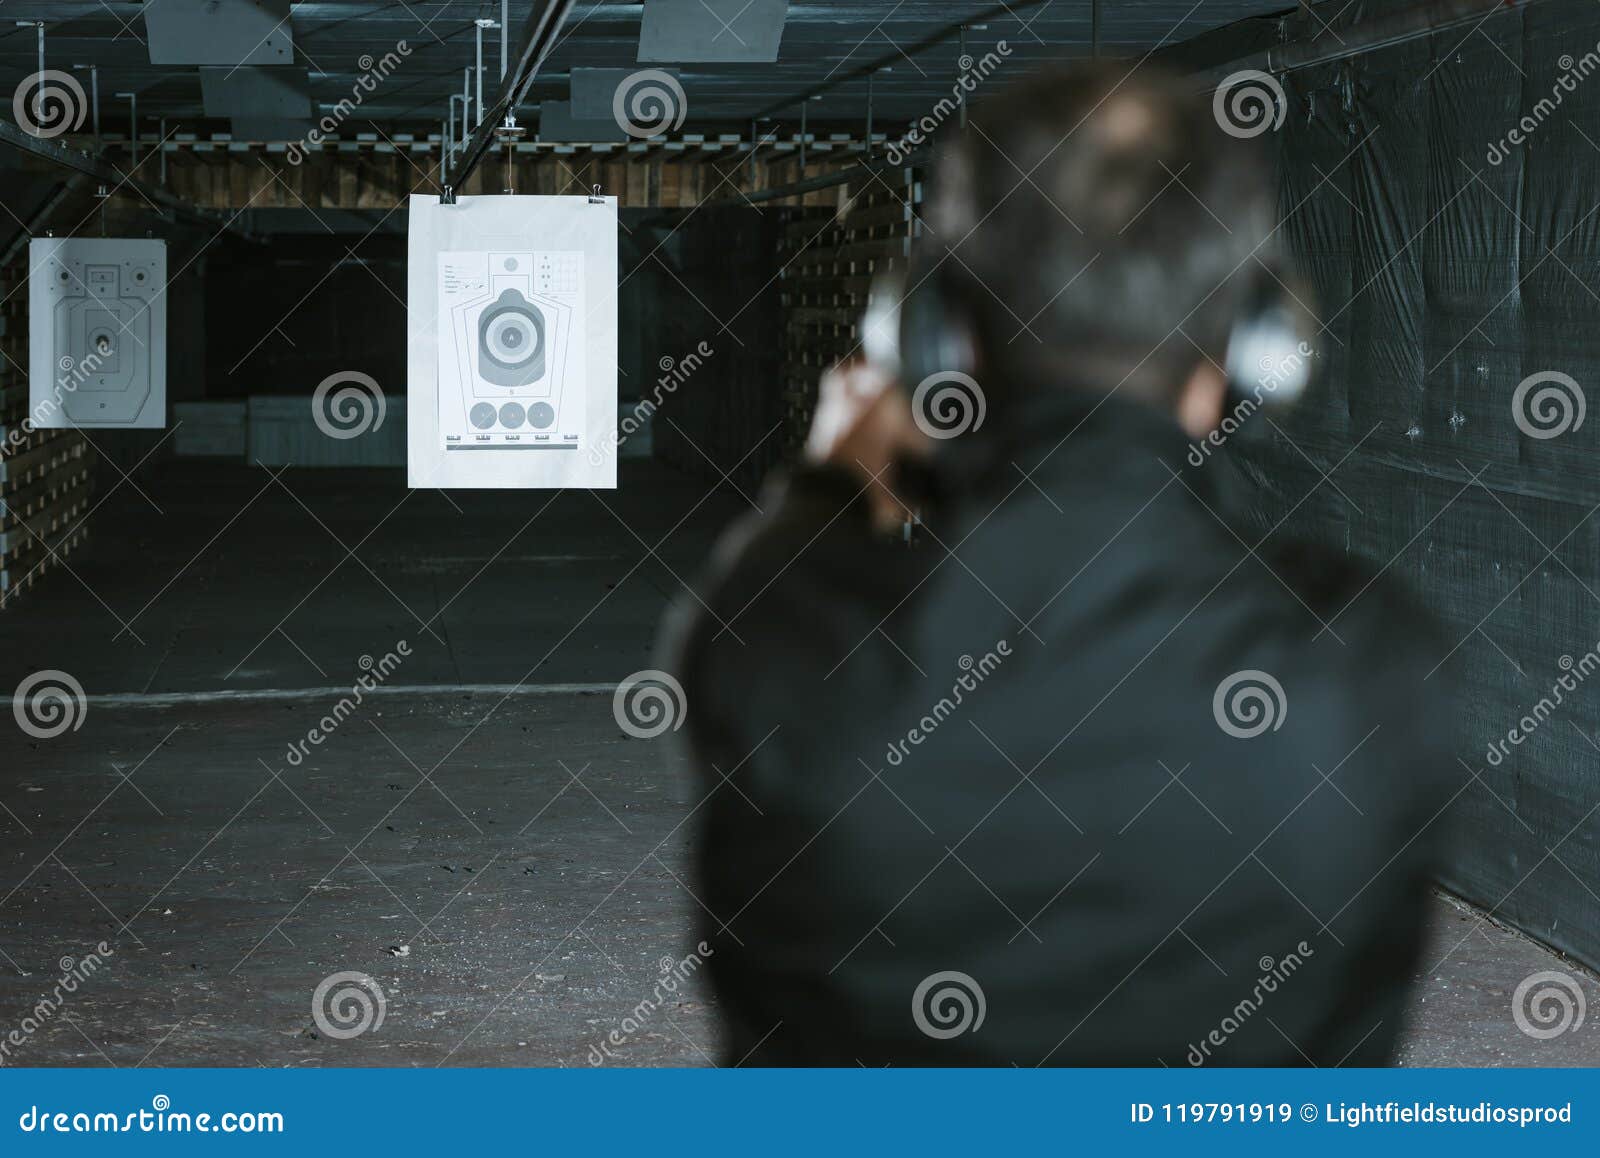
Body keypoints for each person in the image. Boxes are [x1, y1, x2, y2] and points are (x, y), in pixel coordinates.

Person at [662, 61, 1455, 1066]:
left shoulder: (781, 637)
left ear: (937, 341)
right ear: (1258, 345)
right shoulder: (1374, 659)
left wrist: (826, 485)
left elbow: (764, 605)